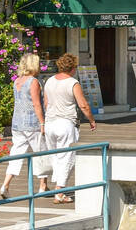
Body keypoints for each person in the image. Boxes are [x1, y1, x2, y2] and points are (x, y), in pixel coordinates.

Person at [42, 53, 98, 203]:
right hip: (65, 123)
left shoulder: (49, 81)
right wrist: (91, 120)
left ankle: (58, 187)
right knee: (67, 157)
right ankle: (59, 192)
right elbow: (83, 105)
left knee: (56, 156)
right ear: (72, 68)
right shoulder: (73, 83)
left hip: (50, 123)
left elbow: (46, 103)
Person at [0, 53, 52, 199]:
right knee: (41, 153)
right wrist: (42, 122)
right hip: (32, 123)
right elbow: (36, 104)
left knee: (16, 154)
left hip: (17, 123)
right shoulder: (33, 81)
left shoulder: (17, 81)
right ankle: (43, 185)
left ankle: (6, 184)